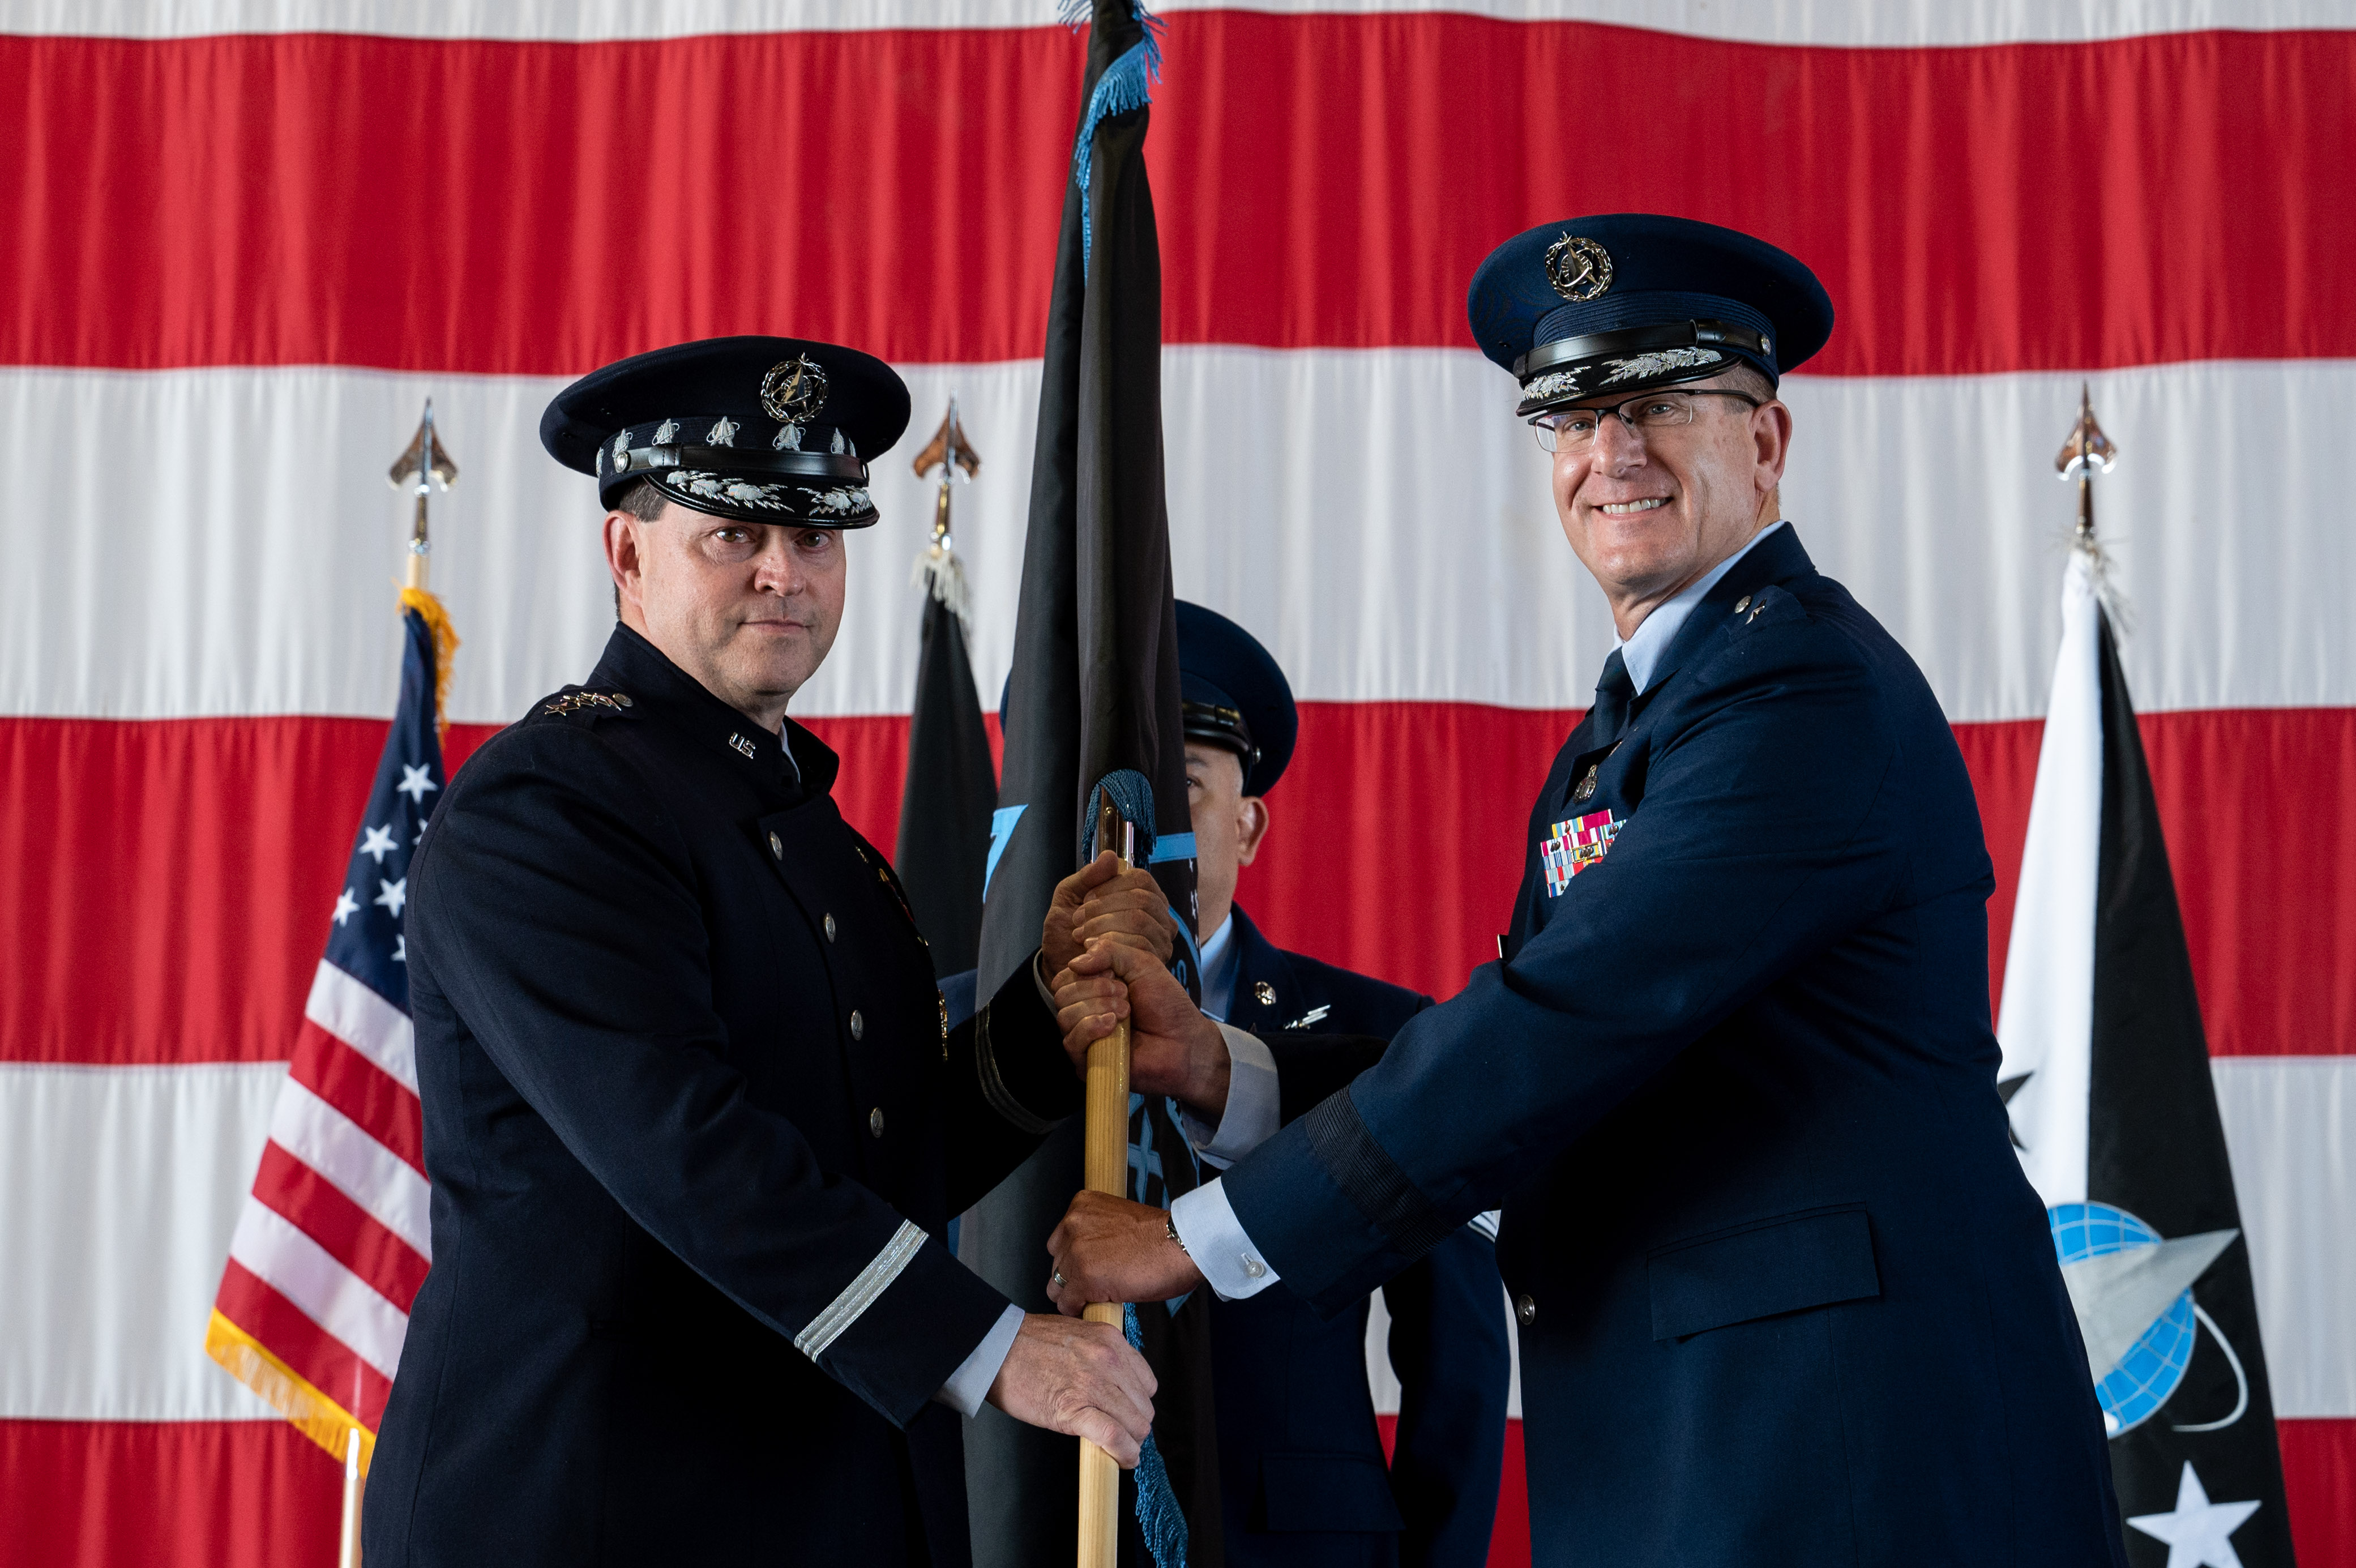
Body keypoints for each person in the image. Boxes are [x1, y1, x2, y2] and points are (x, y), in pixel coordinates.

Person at [1041, 217, 2127, 1566]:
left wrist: (1199, 1238)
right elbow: (1573, 1062)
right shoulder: (1644, 717)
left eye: (1659, 405)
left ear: (1765, 442)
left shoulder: (1802, 692)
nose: (1610, 454)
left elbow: (1563, 1024)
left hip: (1842, 1452)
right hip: (1702, 1436)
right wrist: (1224, 1070)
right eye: (1570, 418)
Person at [364, 336, 1173, 1568]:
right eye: (732, 534)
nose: (784, 573)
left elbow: (874, 1157)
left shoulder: (819, 838)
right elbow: (690, 1149)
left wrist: (1043, 1019)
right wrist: (991, 1344)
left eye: (815, 536)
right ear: (626, 552)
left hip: (815, 1496)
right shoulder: (547, 808)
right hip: (597, 1507)